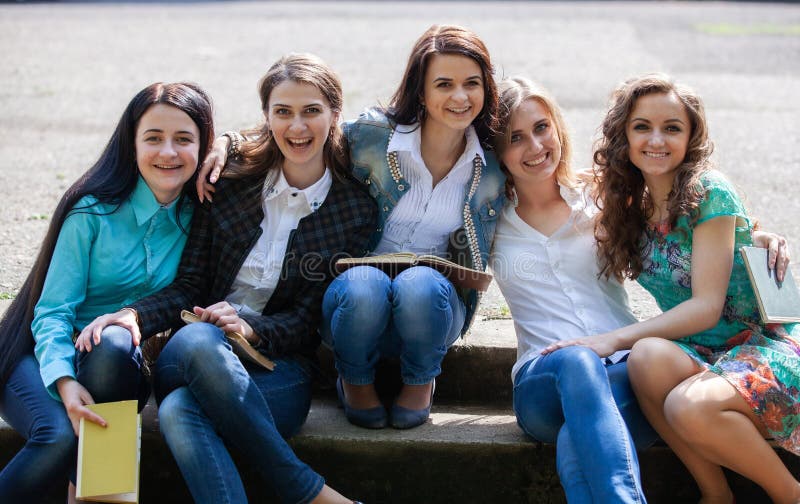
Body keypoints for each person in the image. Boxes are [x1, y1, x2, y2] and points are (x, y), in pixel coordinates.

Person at [81, 54, 375, 504]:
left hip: (279, 368)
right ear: (266, 117)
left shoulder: (353, 209)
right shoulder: (228, 181)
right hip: (192, 352)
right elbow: (190, 285)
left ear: (335, 114)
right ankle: (307, 492)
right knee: (201, 341)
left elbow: (307, 318)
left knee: (180, 411)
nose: (297, 127)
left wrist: (251, 326)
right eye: (283, 112)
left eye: (311, 111)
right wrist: (135, 315)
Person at [202, 24, 505, 430]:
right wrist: (228, 141)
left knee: (420, 282)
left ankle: (420, 381)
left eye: (472, 83)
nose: (459, 96)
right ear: (421, 90)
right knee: (366, 282)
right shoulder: (374, 138)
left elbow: (543, 164)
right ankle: (355, 380)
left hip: (431, 311)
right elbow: (304, 126)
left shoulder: (491, 168)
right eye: (444, 84)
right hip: (354, 308)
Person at [544, 73, 800, 504]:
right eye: (642, 126)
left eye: (672, 128)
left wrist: (612, 339)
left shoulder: (709, 192)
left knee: (686, 403)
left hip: (762, 349)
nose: (656, 140)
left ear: (691, 137)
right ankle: (715, 495)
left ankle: (788, 494)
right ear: (624, 134)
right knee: (646, 358)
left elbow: (705, 309)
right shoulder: (630, 201)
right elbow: (551, 176)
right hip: (702, 354)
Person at [0, 82, 214, 503]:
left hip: (116, 366)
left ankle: (93, 493)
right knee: (58, 435)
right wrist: (63, 380)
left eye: (184, 139)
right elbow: (52, 312)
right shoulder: (91, 211)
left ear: (203, 145)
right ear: (131, 144)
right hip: (39, 353)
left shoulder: (201, 214)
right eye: (153, 138)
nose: (168, 152)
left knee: (114, 342)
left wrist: (226, 146)